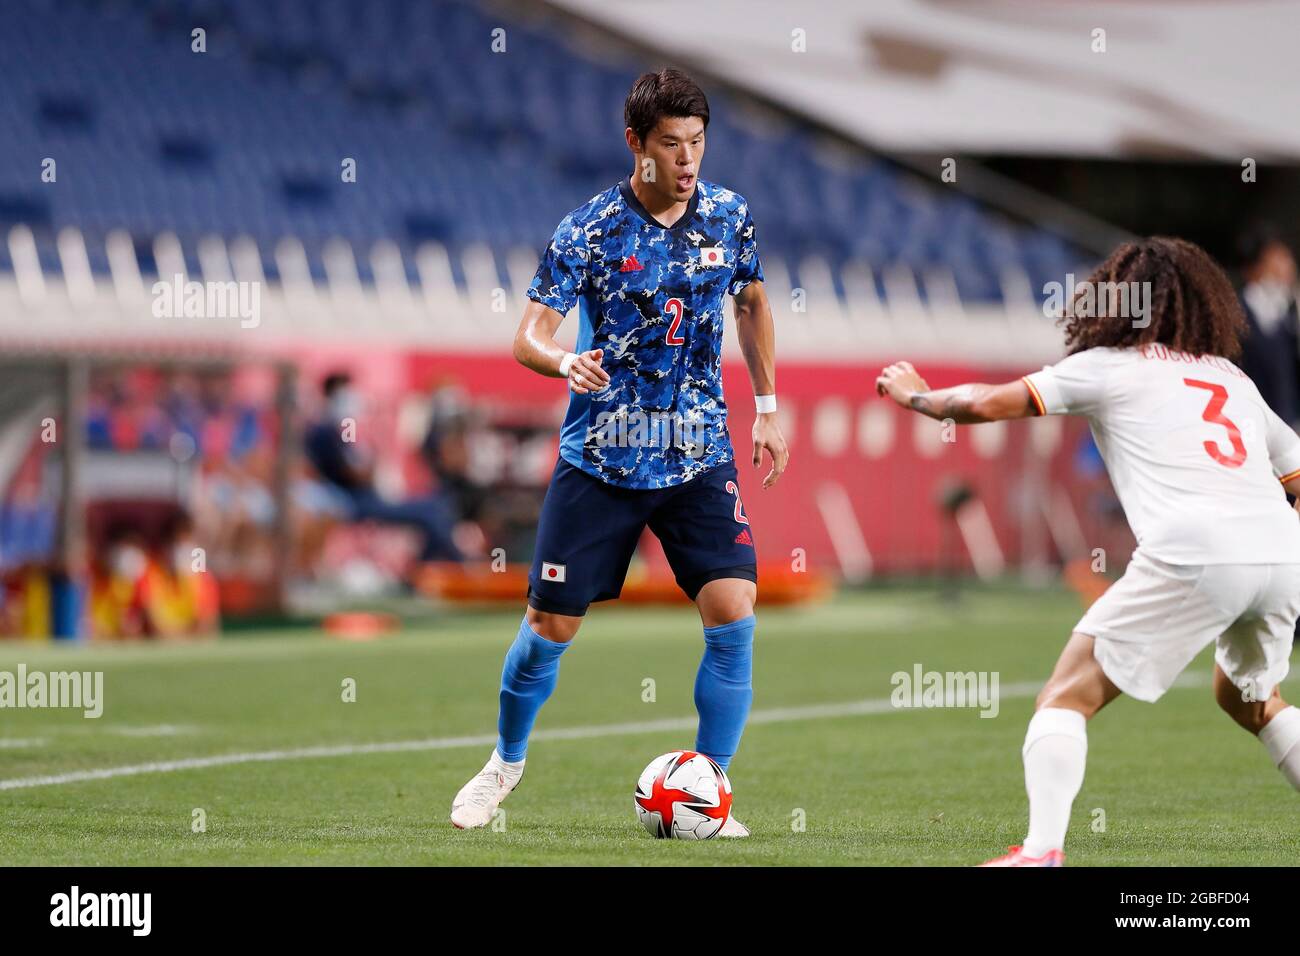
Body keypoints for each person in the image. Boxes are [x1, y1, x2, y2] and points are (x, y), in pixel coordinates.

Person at [876, 237, 1300, 866]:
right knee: (1250, 699)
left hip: (1197, 548)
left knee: (1066, 696)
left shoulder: (1108, 364)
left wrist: (914, 394)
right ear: (1203, 303)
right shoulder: (1229, 376)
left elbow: (984, 404)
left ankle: (1042, 851)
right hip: (1281, 550)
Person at [449, 69, 789, 835]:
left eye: (697, 143)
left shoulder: (730, 218)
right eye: (670, 144)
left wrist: (767, 409)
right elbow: (528, 334)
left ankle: (709, 786)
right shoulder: (589, 230)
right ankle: (504, 762)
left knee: (734, 612)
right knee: (549, 628)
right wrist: (564, 360)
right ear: (634, 142)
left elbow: (754, 302)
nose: (687, 160)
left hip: (699, 452)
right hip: (602, 457)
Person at [303, 372, 462, 565]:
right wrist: (374, 459)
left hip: (365, 497)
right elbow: (355, 474)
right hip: (352, 501)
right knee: (430, 513)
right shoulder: (325, 430)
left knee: (436, 507)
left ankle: (430, 568)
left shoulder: (343, 429)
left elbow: (359, 467)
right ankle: (458, 564)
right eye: (346, 392)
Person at [1236, 225, 1300, 427]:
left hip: (1289, 428)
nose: (1287, 267)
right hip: (1251, 427)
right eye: (1276, 260)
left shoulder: (1289, 314)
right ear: (1253, 268)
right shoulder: (1236, 316)